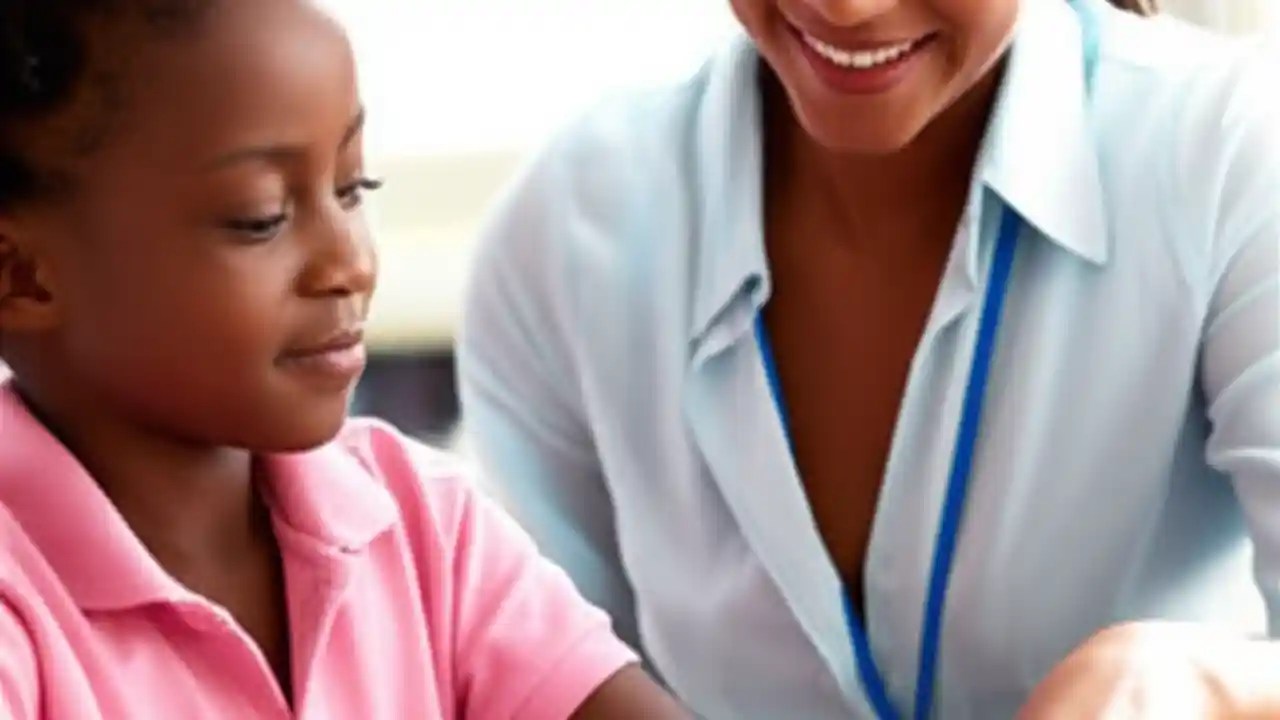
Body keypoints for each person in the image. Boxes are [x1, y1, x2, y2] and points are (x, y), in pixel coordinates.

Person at [457, 0, 1280, 716]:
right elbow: (535, 686)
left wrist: (1199, 685)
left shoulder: (1227, 151)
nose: (847, 8)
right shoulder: (566, 232)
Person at [0, 1, 689, 718]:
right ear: (22, 276)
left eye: (353, 188)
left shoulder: (422, 525)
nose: (349, 261)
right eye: (261, 217)